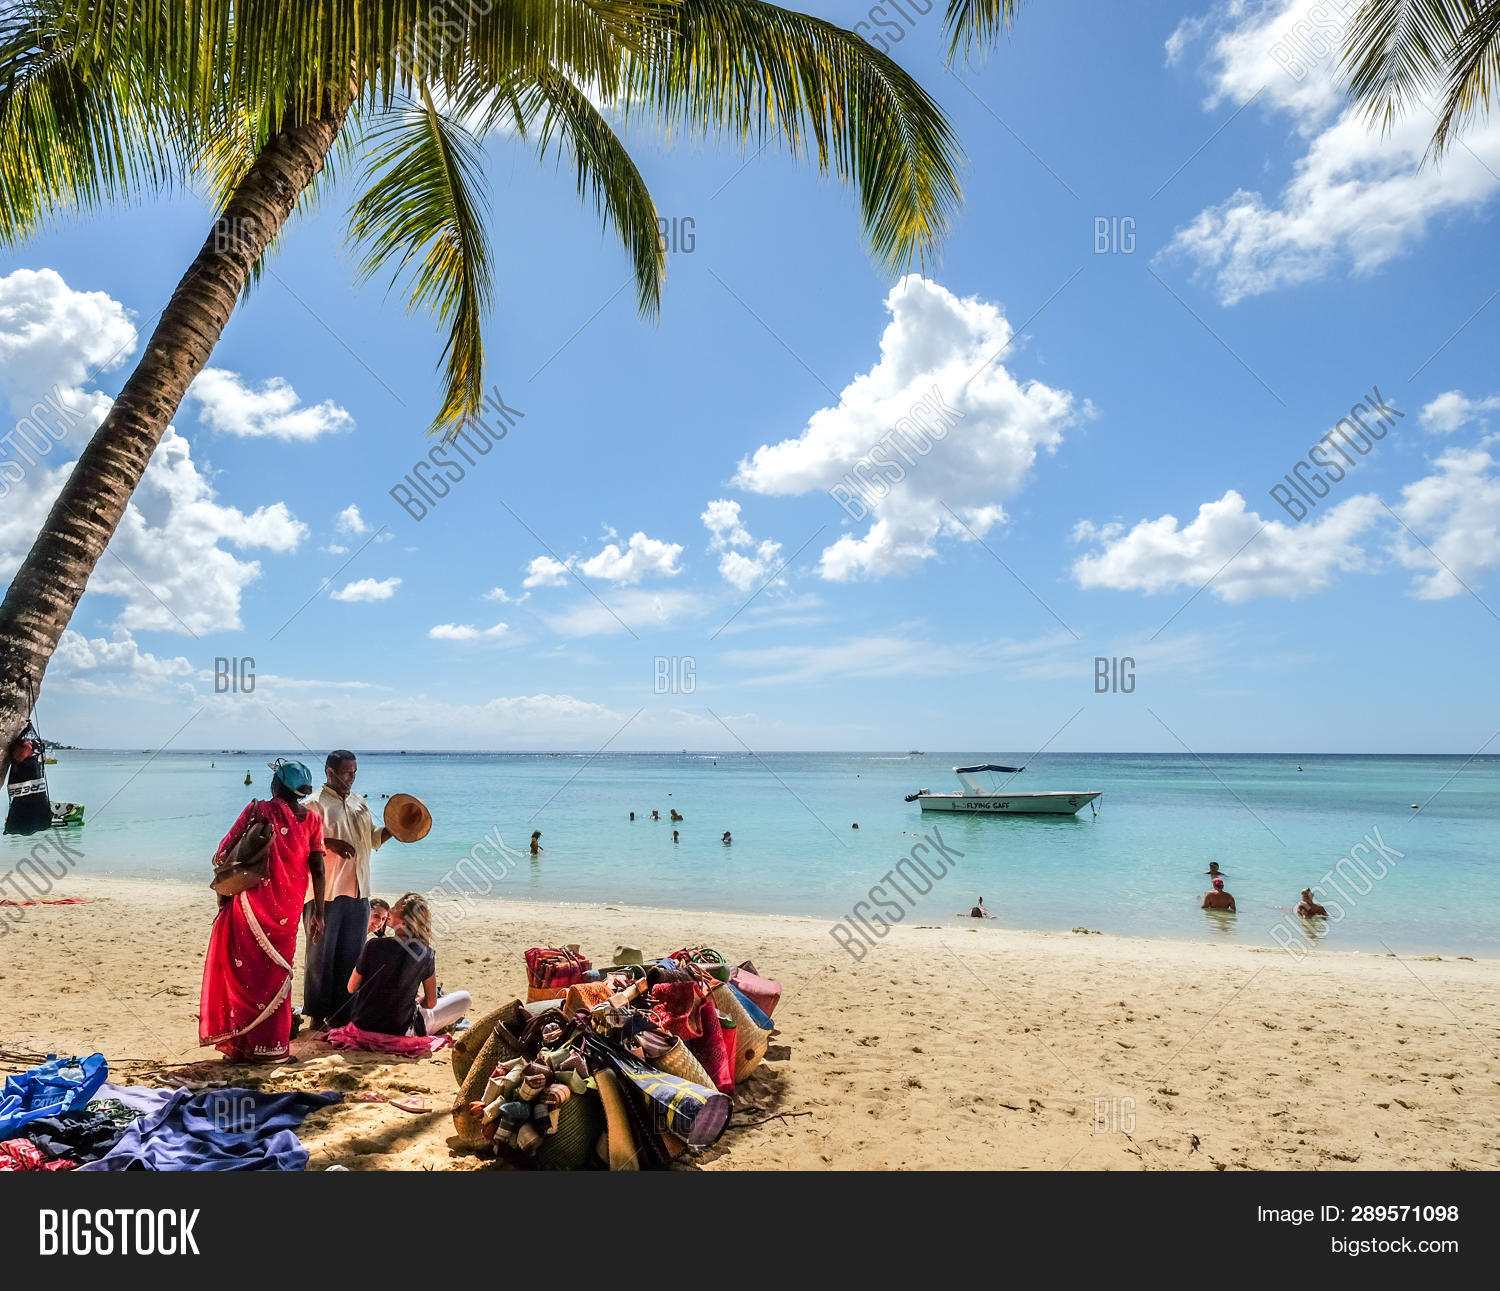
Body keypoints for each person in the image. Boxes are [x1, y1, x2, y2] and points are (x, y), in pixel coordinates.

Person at [200, 759, 326, 1063]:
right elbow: (318, 868)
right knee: (278, 972)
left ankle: (243, 1045)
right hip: (289, 907)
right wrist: (319, 912)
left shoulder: (258, 810)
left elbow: (222, 853)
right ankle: (272, 1048)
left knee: (246, 971)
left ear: (278, 785)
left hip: (252, 903)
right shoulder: (312, 821)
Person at [302, 750, 393, 1031]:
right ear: (330, 772)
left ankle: (343, 1014)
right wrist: (329, 843)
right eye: (346, 772)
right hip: (325, 893)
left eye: (354, 771)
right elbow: (300, 843)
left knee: (352, 955)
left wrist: (396, 828)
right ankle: (317, 1016)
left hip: (359, 890)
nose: (351, 777)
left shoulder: (359, 802)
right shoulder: (313, 804)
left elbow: (373, 839)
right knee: (320, 956)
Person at [348, 893, 470, 1037]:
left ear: (405, 922)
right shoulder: (426, 953)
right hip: (399, 1030)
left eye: (395, 907)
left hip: (363, 1024)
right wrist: (416, 1001)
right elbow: (431, 1003)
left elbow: (351, 987)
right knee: (465, 997)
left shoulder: (373, 945)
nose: (390, 910)